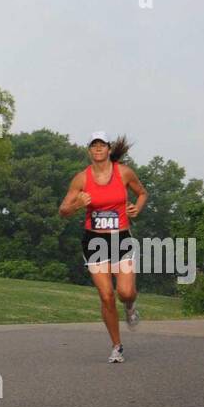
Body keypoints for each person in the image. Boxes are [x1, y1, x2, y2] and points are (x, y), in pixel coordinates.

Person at [59, 131, 147, 363]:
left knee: (125, 292)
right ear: (89, 151)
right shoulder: (81, 179)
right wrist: (78, 204)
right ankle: (117, 346)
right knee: (106, 295)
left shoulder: (124, 172)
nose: (98, 149)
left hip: (121, 238)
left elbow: (142, 193)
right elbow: (63, 211)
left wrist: (137, 208)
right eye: (93, 145)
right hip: (94, 241)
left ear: (109, 149)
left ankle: (130, 305)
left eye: (102, 145)